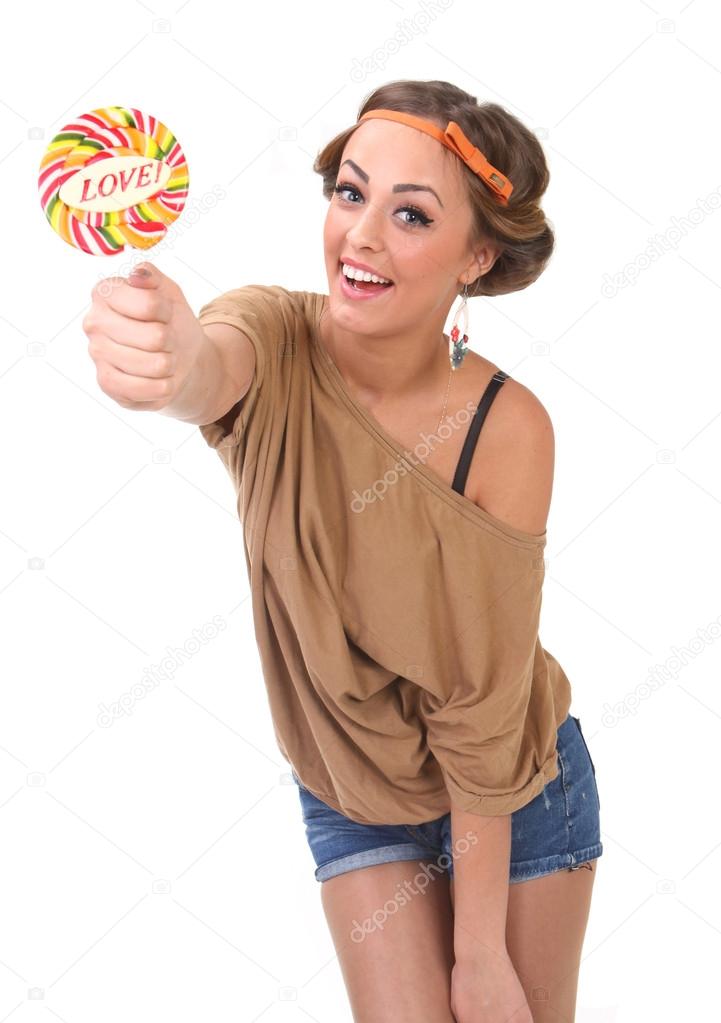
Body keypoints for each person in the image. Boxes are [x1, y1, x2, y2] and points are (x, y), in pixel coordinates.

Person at [83, 78, 603, 1023]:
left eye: (410, 214)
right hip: (354, 787)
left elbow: (483, 712)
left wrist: (478, 956)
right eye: (349, 191)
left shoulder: (509, 428)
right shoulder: (270, 339)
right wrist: (166, 357)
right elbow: (208, 368)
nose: (359, 235)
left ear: (475, 257)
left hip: (512, 790)